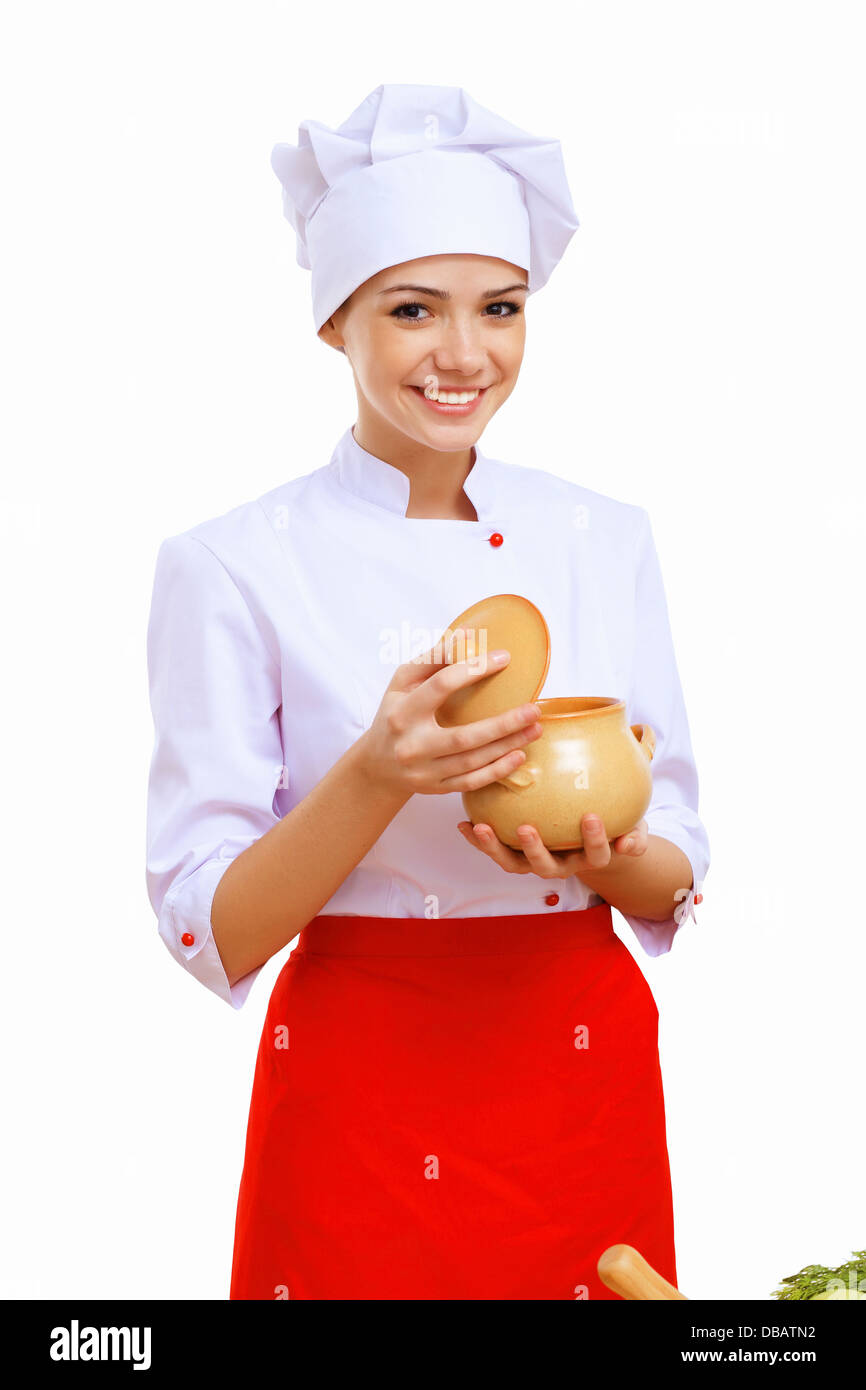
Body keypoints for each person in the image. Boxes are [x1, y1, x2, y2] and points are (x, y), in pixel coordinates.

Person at [145, 83, 710, 1301]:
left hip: (574, 1066)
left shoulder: (601, 536)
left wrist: (603, 856)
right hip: (358, 1080)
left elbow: (676, 872)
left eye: (499, 310)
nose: (464, 355)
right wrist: (373, 774)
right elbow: (215, 928)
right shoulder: (231, 563)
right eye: (412, 311)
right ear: (334, 324)